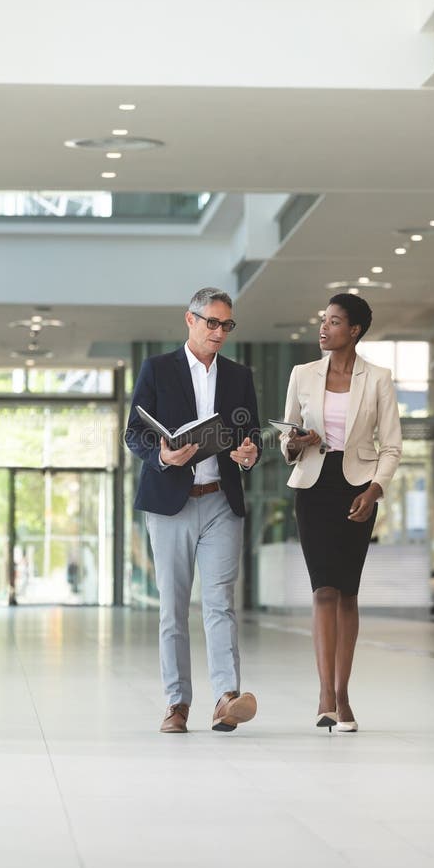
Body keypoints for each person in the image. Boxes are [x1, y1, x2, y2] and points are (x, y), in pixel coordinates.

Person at [126, 287, 262, 734]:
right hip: (171, 504)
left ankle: (226, 698)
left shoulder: (239, 376)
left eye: (227, 325)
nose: (219, 332)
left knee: (220, 602)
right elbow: (134, 433)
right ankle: (177, 703)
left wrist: (249, 453)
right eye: (212, 322)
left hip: (221, 500)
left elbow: (251, 433)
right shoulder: (157, 369)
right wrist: (163, 455)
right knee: (173, 607)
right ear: (191, 320)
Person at [281, 293, 401, 733]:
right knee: (323, 590)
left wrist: (375, 489)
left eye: (334, 321)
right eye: (323, 320)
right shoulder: (302, 374)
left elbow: (391, 445)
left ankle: (343, 693)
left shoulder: (378, 378)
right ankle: (325, 696)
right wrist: (295, 442)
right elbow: (286, 436)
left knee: (347, 591)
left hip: (358, 489)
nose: (324, 327)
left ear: (354, 330)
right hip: (313, 488)